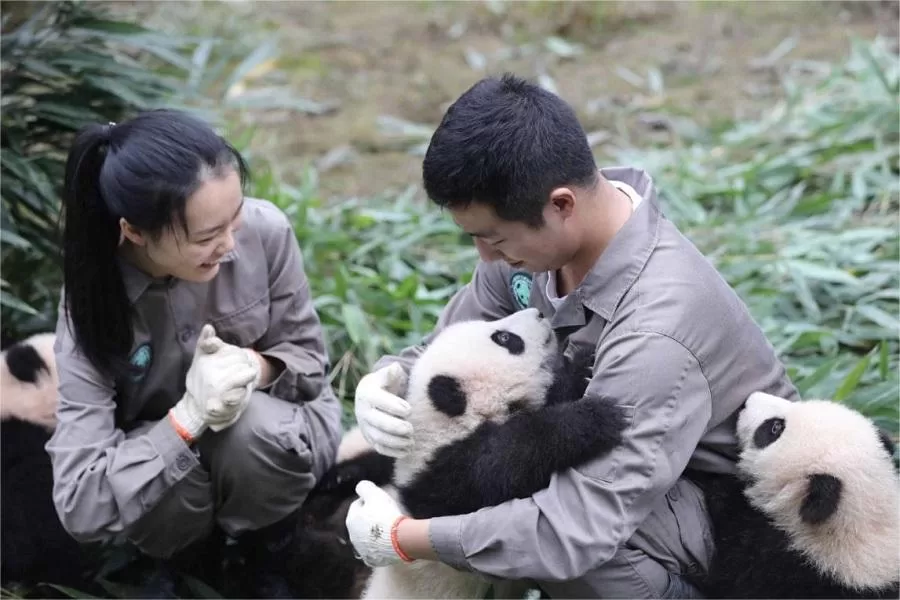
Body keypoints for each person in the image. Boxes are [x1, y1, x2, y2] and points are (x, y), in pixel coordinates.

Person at [345, 74, 800, 598]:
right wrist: (393, 377)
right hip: (654, 485)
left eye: (492, 238)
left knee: (536, 506)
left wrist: (408, 538)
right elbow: (452, 352)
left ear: (561, 204)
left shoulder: (656, 329)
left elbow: (580, 526)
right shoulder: (531, 247)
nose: (485, 258)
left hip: (743, 539)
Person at [45, 109, 343, 597]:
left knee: (244, 426)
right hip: (170, 478)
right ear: (135, 232)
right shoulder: (91, 306)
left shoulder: (264, 232)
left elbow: (310, 365)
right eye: (207, 236)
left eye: (235, 217)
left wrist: (255, 366)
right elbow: (81, 501)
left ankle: (270, 546)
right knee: (165, 461)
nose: (229, 245)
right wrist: (185, 420)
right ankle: (185, 561)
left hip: (276, 438)